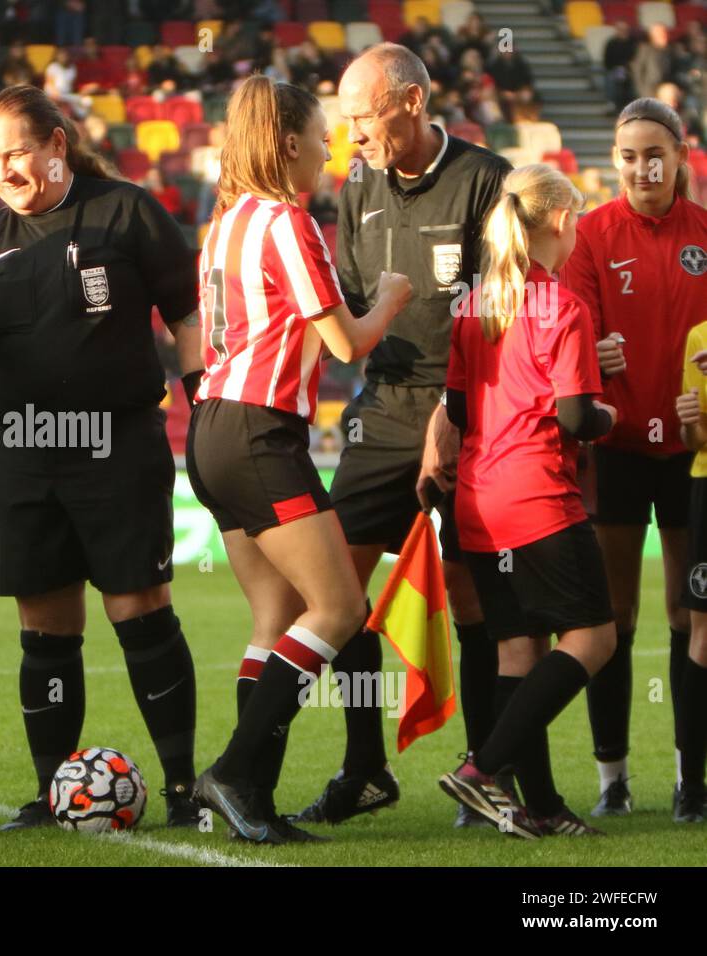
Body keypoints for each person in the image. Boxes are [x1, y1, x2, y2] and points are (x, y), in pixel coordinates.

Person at [0, 84, 205, 830]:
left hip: (119, 444)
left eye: (15, 152)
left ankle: (181, 788)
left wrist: (205, 400)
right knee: (46, 627)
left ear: (56, 145)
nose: (2, 170)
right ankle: (49, 795)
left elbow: (187, 311)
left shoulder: (126, 209)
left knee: (140, 610)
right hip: (25, 452)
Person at [185, 77, 411, 844]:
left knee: (275, 617)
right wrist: (390, 297)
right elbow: (347, 341)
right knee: (343, 609)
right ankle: (236, 774)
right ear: (288, 143)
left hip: (211, 428)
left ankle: (252, 796)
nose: (331, 147)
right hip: (258, 434)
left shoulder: (224, 224)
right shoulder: (287, 221)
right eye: (321, 135)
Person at [295, 43, 512, 828]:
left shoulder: (489, 179)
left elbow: (502, 315)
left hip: (474, 409)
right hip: (385, 407)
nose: (351, 134)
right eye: (345, 119)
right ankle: (364, 767)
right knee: (339, 592)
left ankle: (486, 772)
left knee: (471, 595)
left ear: (412, 103)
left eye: (362, 115)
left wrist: (452, 413)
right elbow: (351, 305)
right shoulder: (358, 183)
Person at [440, 164, 618, 837]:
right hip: (539, 497)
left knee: (519, 652)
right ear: (562, 221)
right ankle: (481, 769)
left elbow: (458, 406)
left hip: (479, 499)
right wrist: (610, 414)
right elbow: (576, 419)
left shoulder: (476, 303)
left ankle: (539, 808)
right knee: (594, 637)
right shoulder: (566, 307)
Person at [559, 97, 707, 818]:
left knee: (690, 613)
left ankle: (690, 781)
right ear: (613, 161)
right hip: (614, 449)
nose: (642, 166)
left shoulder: (706, 232)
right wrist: (593, 351)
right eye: (628, 155)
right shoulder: (589, 235)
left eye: (655, 152)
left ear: (681, 155)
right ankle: (612, 779)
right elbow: (564, 334)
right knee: (615, 615)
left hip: (691, 450)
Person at [672, 319, 707, 824]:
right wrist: (688, 422)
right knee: (703, 637)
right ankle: (692, 790)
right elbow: (696, 437)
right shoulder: (699, 335)